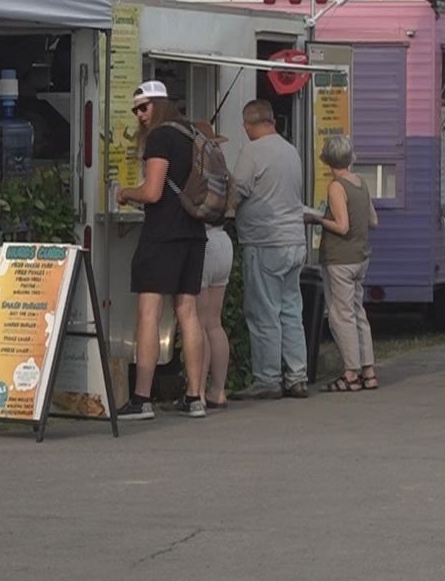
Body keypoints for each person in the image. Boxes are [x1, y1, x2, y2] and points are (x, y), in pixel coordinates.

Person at [113, 81, 208, 420]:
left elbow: (153, 192)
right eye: (136, 109)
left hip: (162, 235)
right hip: (194, 233)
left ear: (159, 104)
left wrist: (125, 192)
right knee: (189, 314)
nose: (140, 115)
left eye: (144, 107)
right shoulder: (191, 134)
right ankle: (195, 396)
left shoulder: (160, 138)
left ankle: (141, 398)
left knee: (149, 314)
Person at [229, 99, 311, 400]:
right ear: (272, 121)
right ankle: (297, 376)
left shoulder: (252, 151)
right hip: (294, 240)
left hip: (265, 241)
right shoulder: (290, 150)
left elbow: (237, 191)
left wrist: (223, 209)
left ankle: (268, 378)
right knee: (291, 310)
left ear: (249, 124)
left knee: (263, 311)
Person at [309, 135, 378, 394]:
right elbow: (373, 220)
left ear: (327, 159)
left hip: (340, 259)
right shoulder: (361, 183)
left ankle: (350, 373)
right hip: (361, 256)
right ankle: (368, 371)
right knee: (358, 312)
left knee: (341, 315)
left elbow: (341, 225)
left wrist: (316, 219)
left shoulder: (336, 186)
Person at [193, 122, 232, 411]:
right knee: (215, 323)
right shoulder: (222, 168)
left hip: (202, 242)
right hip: (223, 241)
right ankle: (219, 390)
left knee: (199, 324)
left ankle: (199, 393)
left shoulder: (196, 170)